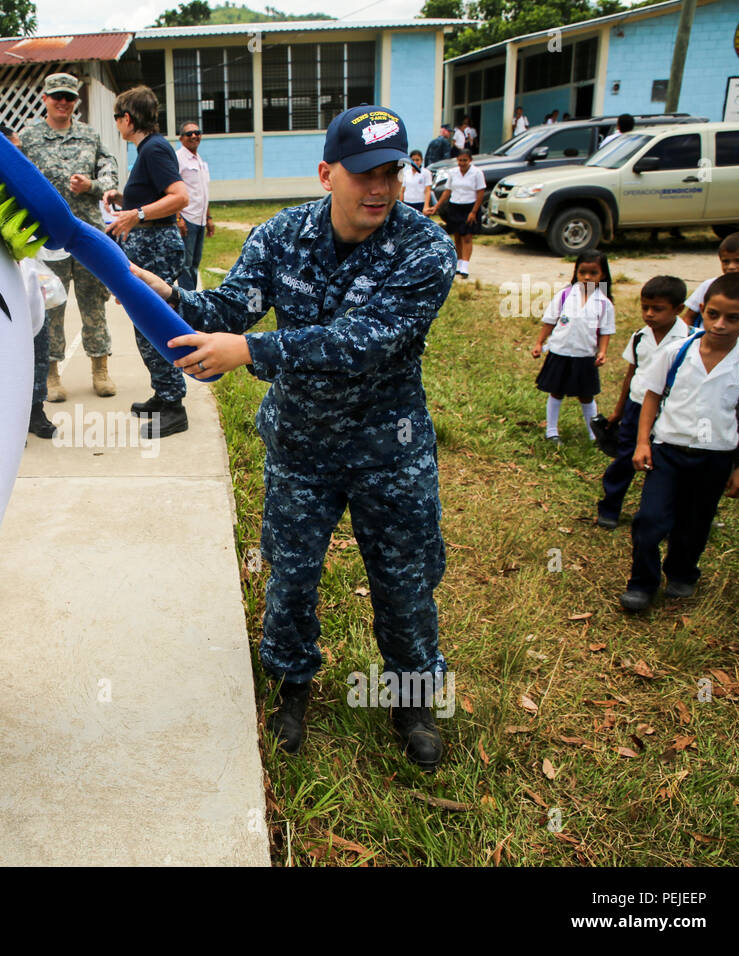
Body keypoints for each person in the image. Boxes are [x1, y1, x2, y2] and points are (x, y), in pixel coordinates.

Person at [127, 105, 458, 772]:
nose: (379, 188)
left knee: (404, 583)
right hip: (302, 448)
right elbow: (229, 311)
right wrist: (169, 294)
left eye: (392, 172)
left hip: (388, 453)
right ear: (326, 173)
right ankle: (291, 688)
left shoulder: (426, 249)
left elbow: (364, 341)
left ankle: (412, 700)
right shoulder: (283, 235)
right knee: (292, 579)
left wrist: (249, 350)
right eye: (364, 173)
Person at [620, 273, 739, 612]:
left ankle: (681, 571)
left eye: (733, 318)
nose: (720, 324)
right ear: (702, 310)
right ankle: (642, 584)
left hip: (715, 458)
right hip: (667, 452)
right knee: (649, 520)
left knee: (695, 522)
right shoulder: (678, 351)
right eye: (713, 314)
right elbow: (651, 395)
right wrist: (642, 443)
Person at [19, 72, 120, 401]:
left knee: (94, 303)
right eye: (57, 96)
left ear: (76, 101)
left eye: (69, 97)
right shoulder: (29, 137)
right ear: (45, 98)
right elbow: (15, 178)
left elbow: (110, 168)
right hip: (47, 240)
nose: (63, 102)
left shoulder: (89, 137)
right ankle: (51, 374)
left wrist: (91, 186)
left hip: (87, 233)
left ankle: (100, 368)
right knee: (51, 306)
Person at [102, 86, 190, 438]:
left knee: (154, 323)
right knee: (144, 324)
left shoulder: (154, 149)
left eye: (117, 118)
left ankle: (174, 405)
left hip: (158, 245)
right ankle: (163, 392)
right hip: (149, 244)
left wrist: (135, 214)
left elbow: (180, 196)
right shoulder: (149, 150)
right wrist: (124, 199)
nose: (117, 124)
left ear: (127, 118)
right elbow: (154, 195)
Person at [597, 276, 692, 528]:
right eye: (644, 307)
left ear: (678, 309)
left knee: (667, 462)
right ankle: (610, 507)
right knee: (626, 456)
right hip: (637, 407)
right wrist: (619, 409)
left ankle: (671, 514)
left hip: (670, 411)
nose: (649, 314)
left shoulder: (690, 341)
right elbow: (631, 374)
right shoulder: (640, 336)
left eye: (657, 309)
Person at [0, 123, 58, 440]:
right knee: (1, 352)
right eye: (12, 148)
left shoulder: (26, 183)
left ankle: (35, 412)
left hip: (27, 274)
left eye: (20, 149)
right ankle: (7, 420)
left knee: (38, 344)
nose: (18, 154)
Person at [532, 251, 615, 443]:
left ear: (602, 275)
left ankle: (593, 434)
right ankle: (552, 431)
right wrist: (539, 342)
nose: (587, 277)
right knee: (556, 391)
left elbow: (605, 331)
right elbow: (550, 321)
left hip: (585, 355)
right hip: (560, 352)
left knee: (586, 395)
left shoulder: (604, 303)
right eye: (582, 272)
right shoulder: (565, 295)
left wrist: (602, 351)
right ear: (576, 272)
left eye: (593, 273)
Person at [681, 232, 739, 349]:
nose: (731, 266)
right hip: (704, 346)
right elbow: (689, 316)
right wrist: (684, 340)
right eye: (726, 261)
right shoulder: (709, 285)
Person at [430, 149, 486, 278]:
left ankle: (465, 266)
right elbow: (447, 191)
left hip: (469, 206)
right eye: (460, 160)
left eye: (465, 160)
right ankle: (459, 263)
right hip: (455, 206)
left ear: (470, 160)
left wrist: (474, 212)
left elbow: (480, 193)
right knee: (457, 236)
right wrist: (437, 206)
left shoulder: (477, 173)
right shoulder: (453, 173)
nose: (462, 163)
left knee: (467, 236)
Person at [175, 121, 215, 292]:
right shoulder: (178, 159)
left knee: (194, 265)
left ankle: (192, 300)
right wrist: (178, 218)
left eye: (197, 133)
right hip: (187, 219)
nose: (194, 136)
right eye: (189, 134)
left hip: (200, 220)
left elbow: (203, 193)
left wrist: (209, 218)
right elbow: (172, 190)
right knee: (185, 265)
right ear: (181, 138)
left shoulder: (200, 161)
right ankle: (188, 303)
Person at [399, 149, 432, 214]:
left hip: (420, 204)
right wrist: (400, 204)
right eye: (413, 160)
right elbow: (402, 190)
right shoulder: (406, 173)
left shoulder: (426, 173)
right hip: (407, 203)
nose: (415, 162)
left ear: (422, 160)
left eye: (417, 160)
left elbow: (428, 191)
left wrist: (426, 206)